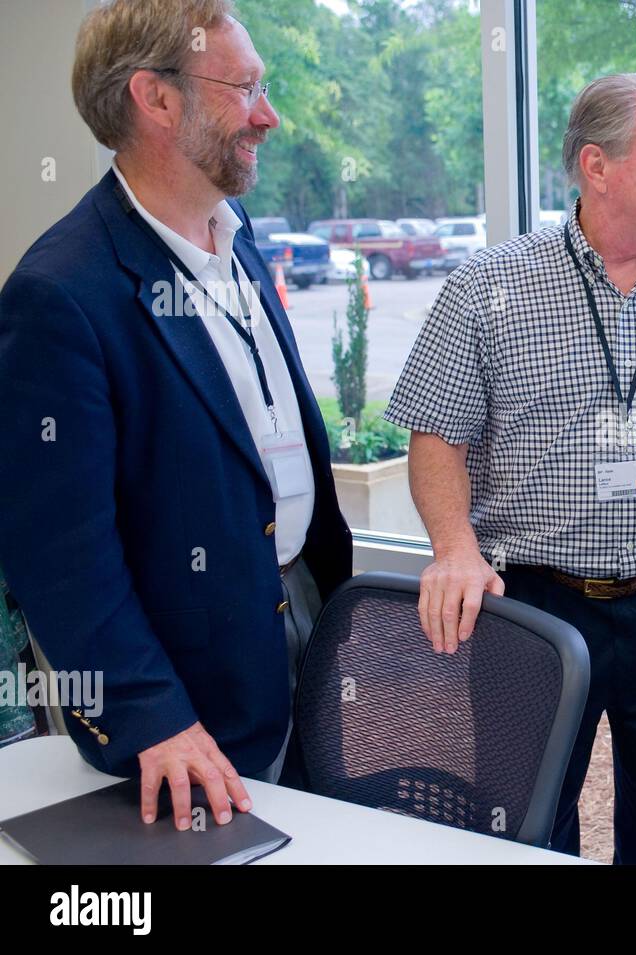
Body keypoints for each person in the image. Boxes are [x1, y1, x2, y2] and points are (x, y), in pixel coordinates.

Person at [384, 71, 636, 863]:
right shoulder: (488, 285)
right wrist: (453, 546)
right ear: (597, 166)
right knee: (523, 822)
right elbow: (437, 434)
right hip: (532, 601)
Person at [0, 0, 351, 829]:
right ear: (155, 100)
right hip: (188, 678)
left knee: (320, 827)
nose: (269, 115)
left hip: (303, 608)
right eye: (246, 88)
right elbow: (57, 551)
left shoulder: (239, 233)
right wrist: (150, 712)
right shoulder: (60, 295)